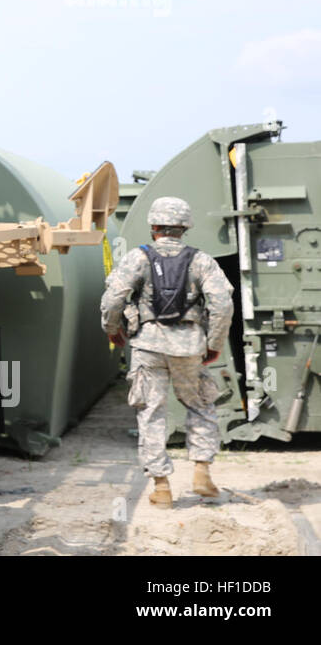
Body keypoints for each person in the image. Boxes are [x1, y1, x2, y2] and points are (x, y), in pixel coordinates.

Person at [100, 195, 234, 508]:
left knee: (150, 413)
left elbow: (114, 297)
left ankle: (161, 487)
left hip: (148, 345)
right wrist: (213, 343)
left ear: (154, 226)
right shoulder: (201, 260)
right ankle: (202, 471)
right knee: (200, 405)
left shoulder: (138, 257)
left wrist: (112, 329)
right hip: (188, 346)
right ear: (184, 227)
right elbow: (222, 304)